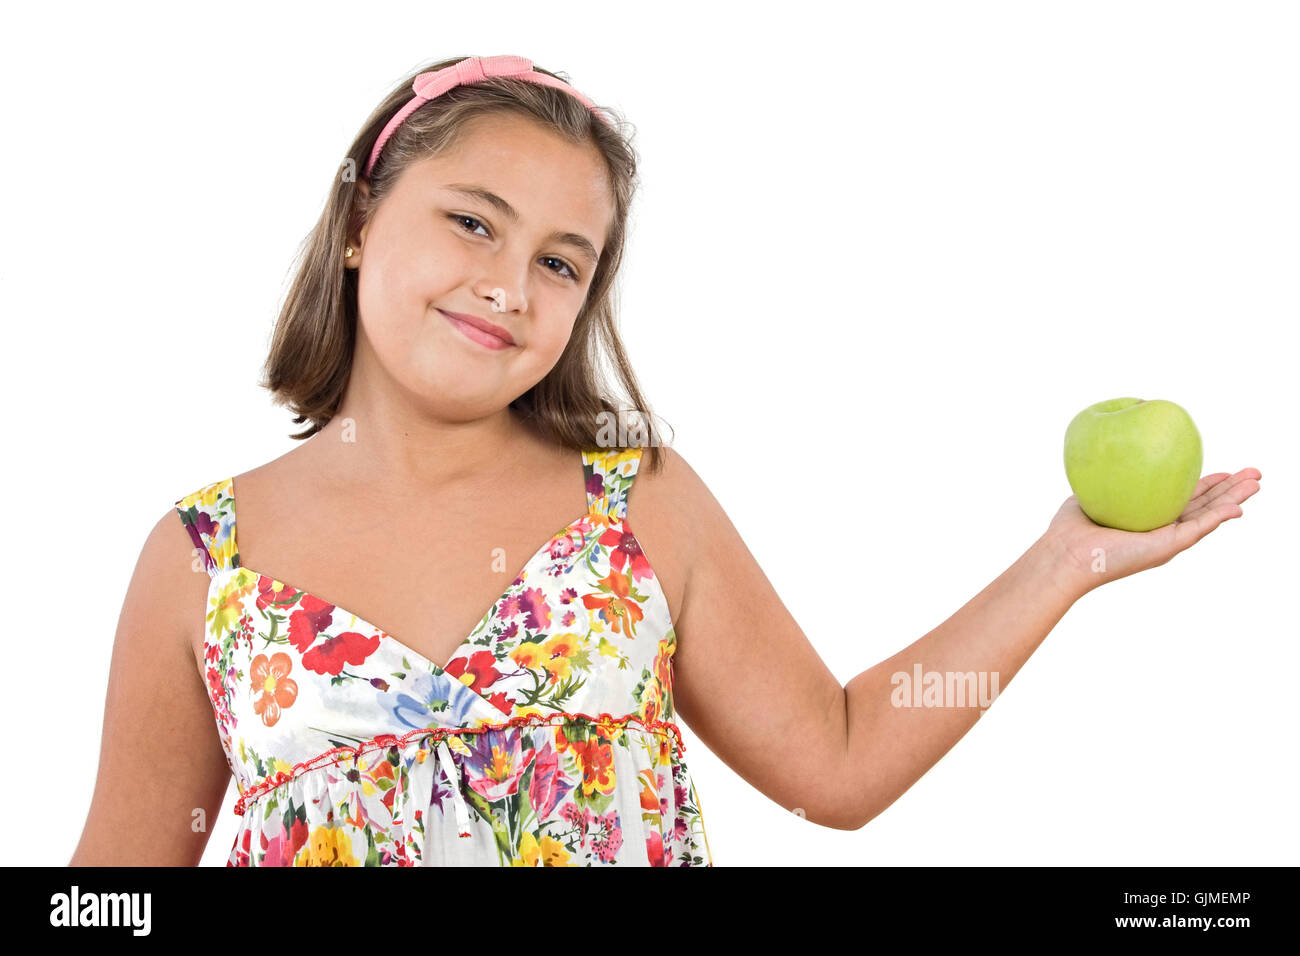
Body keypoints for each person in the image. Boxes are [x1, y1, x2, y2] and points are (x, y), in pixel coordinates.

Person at [68, 54, 1262, 867]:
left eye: (559, 261)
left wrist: (1062, 562)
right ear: (360, 220)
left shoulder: (636, 502)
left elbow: (838, 763)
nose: (507, 284)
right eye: (472, 221)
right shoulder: (203, 555)